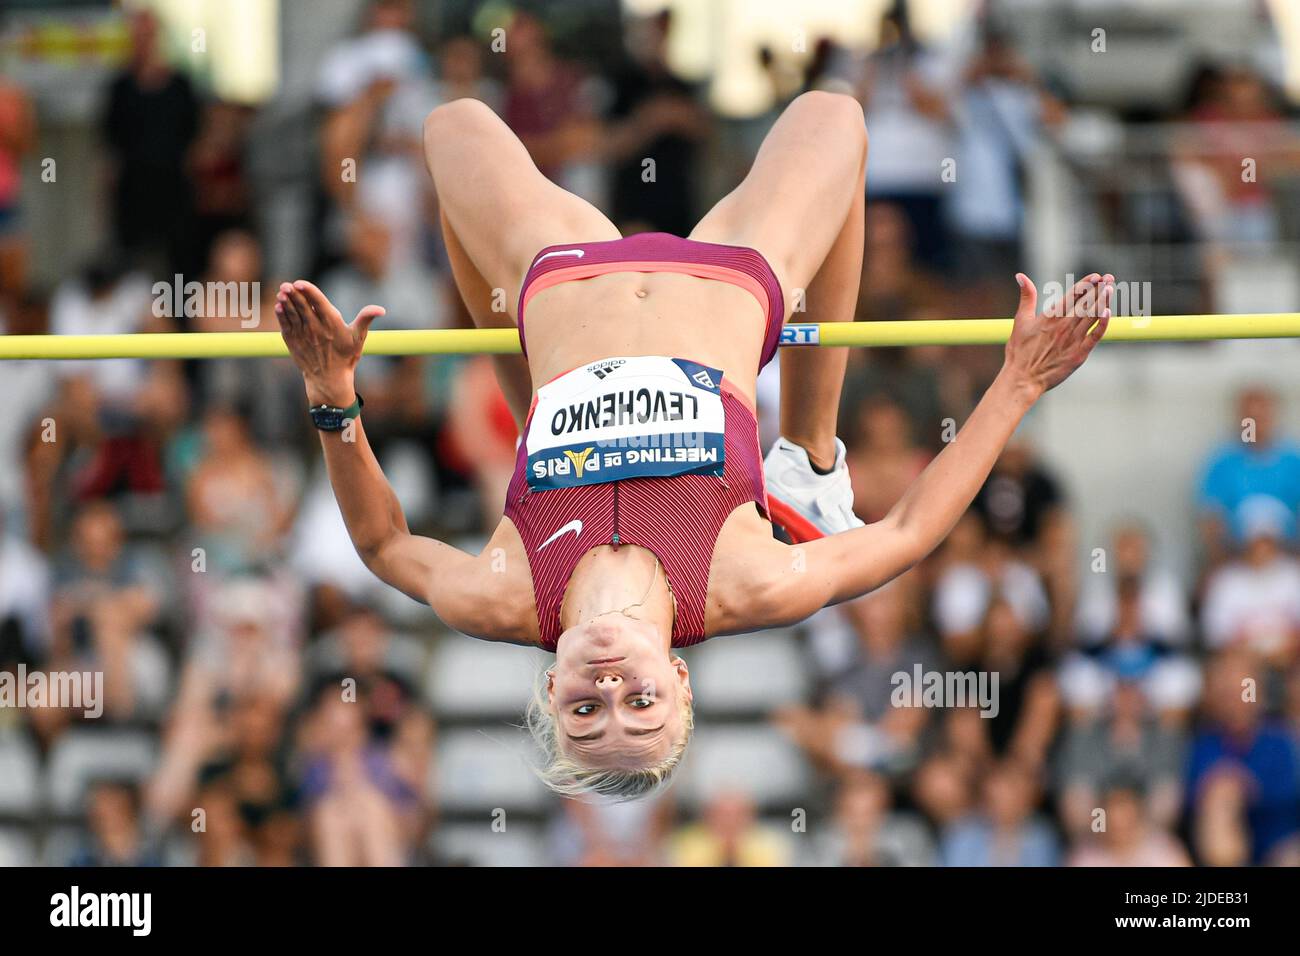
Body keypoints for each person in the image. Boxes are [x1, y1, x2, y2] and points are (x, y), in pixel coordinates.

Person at [274, 92, 1112, 800]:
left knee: (452, 125)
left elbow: (383, 544)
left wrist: (332, 398)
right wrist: (1018, 387)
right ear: (679, 682)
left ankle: (534, 392)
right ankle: (813, 454)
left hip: (563, 276)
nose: (610, 688)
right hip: (732, 275)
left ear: (549, 690)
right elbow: (904, 535)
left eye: (584, 712)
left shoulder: (503, 594)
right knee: (836, 116)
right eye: (641, 705)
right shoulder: (744, 584)